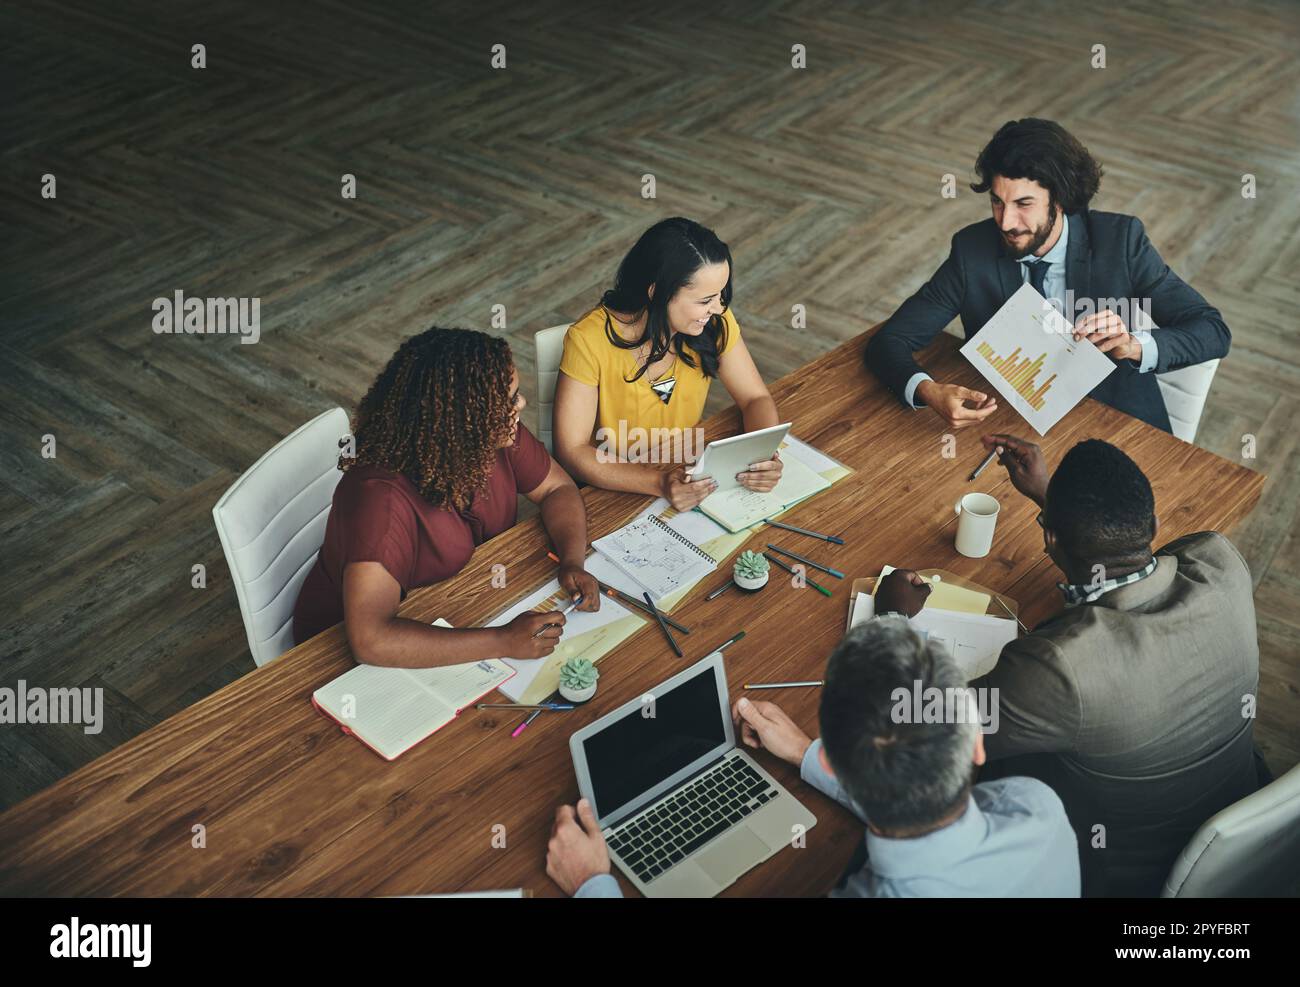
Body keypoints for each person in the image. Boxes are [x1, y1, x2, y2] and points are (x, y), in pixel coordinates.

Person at [885, 433, 1262, 896]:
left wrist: (893, 619)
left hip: (1113, 873)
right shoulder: (1220, 561)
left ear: (1049, 539)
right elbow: (1125, 560)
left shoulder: (1061, 667)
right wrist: (1055, 500)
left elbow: (924, 719)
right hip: (1233, 833)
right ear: (1153, 521)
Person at [545, 611, 1080, 898]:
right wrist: (805, 752)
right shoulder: (1039, 808)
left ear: (840, 767)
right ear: (977, 739)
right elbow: (922, 812)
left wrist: (593, 884)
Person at [864, 118, 1230, 433]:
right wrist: (928, 391)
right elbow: (889, 342)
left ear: (1060, 199)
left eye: (1024, 204)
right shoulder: (971, 250)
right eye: (997, 201)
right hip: (1014, 430)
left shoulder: (1121, 243)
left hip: (1118, 431)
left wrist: (1135, 345)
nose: (1006, 222)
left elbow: (1213, 331)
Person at [292, 327, 600, 665]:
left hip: (452, 605)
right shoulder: (379, 503)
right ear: (464, 418)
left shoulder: (488, 438)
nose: (521, 404)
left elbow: (557, 488)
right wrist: (502, 641)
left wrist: (572, 560)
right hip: (334, 660)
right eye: (510, 399)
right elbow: (372, 640)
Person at [553, 217, 784, 512]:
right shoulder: (588, 339)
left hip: (686, 466)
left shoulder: (714, 320)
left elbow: (756, 398)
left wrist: (762, 456)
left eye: (721, 295)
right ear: (657, 292)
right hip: (618, 485)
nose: (719, 309)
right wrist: (660, 482)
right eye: (705, 300)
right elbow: (572, 450)